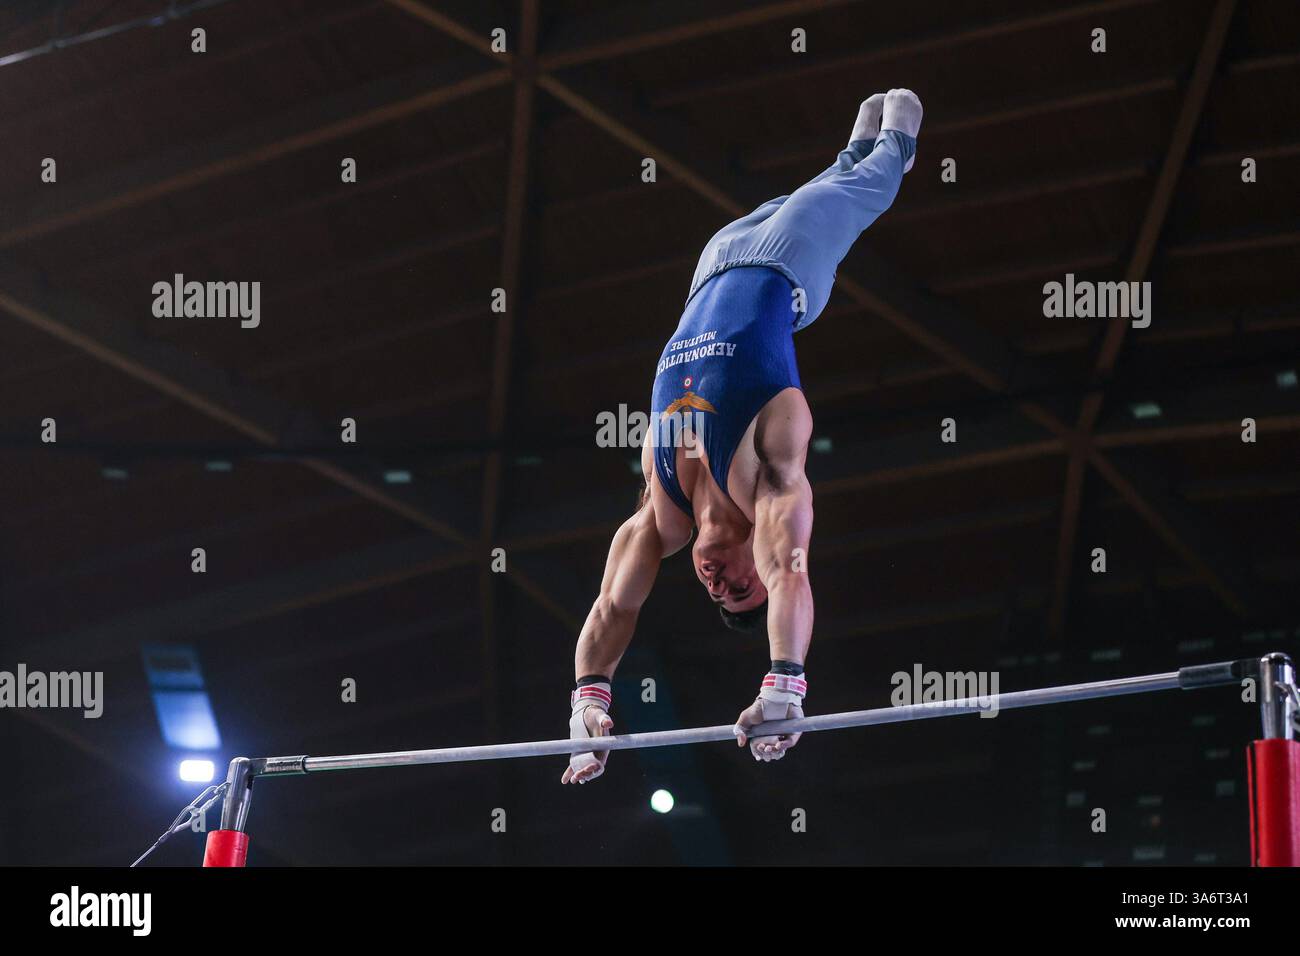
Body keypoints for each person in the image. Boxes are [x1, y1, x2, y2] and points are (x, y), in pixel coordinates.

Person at [562, 89, 924, 784]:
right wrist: (783, 681)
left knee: (827, 181)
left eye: (717, 595)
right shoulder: (770, 482)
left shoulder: (660, 513)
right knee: (869, 182)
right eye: (739, 588)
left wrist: (589, 703)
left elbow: (612, 606)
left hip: (710, 266)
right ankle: (896, 151)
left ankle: (849, 153)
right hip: (786, 266)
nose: (718, 582)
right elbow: (791, 571)